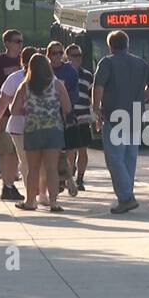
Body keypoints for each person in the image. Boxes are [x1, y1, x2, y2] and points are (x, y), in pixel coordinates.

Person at [92, 30, 149, 214]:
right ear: (127, 44)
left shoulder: (107, 62)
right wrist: (142, 97)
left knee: (114, 159)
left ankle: (126, 197)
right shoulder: (140, 63)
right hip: (135, 114)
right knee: (129, 158)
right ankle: (126, 195)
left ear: (110, 45)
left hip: (114, 116)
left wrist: (96, 108)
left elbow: (98, 86)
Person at [10, 54, 72, 212]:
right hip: (53, 130)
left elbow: (14, 110)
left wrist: (28, 108)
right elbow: (67, 108)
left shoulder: (25, 86)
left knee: (33, 168)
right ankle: (53, 203)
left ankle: (30, 201)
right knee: (51, 168)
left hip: (33, 129)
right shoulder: (57, 84)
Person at [0, 29, 27, 201]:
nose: (20, 44)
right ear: (7, 43)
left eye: (21, 41)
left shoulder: (24, 62)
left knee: (17, 152)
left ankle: (11, 182)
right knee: (6, 151)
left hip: (22, 116)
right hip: (4, 114)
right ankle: (7, 184)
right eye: (17, 41)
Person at [0, 45, 38, 188]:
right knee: (39, 160)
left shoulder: (14, 78)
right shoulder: (47, 77)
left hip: (19, 124)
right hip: (41, 123)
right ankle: (40, 190)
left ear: (21, 60)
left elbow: (3, 101)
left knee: (24, 160)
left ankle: (30, 190)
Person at [47, 41, 78, 197]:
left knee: (66, 153)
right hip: (47, 118)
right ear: (48, 55)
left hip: (65, 116)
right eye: (54, 53)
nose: (57, 56)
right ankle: (60, 181)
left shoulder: (69, 71)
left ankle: (68, 179)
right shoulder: (44, 71)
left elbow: (74, 92)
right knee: (54, 153)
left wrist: (67, 108)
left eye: (60, 53)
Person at [65, 43, 92, 190]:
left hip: (83, 117)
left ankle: (80, 178)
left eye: (80, 56)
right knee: (70, 150)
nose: (78, 58)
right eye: (75, 56)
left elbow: (91, 95)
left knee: (83, 149)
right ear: (67, 57)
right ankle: (69, 178)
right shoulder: (64, 73)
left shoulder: (87, 75)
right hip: (69, 117)